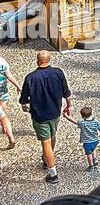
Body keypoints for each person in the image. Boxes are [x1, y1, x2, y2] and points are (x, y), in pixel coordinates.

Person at [20, 51, 72, 183]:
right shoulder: (58, 72)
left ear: (37, 61)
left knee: (45, 142)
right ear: (50, 59)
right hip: (55, 112)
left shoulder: (30, 77)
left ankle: (52, 173)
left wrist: (25, 107)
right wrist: (69, 106)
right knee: (52, 135)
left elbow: (24, 100)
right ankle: (48, 158)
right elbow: (66, 92)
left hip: (39, 115)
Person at [77, 105, 100, 172]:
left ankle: (91, 166)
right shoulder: (96, 121)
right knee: (93, 149)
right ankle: (95, 159)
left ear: (82, 116)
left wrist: (67, 117)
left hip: (87, 142)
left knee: (88, 154)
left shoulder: (82, 123)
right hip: (95, 140)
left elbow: (74, 121)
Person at [0, 51, 14, 149]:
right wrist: (18, 86)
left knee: (2, 116)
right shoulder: (2, 61)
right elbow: (9, 75)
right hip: (3, 92)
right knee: (2, 115)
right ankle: (11, 138)